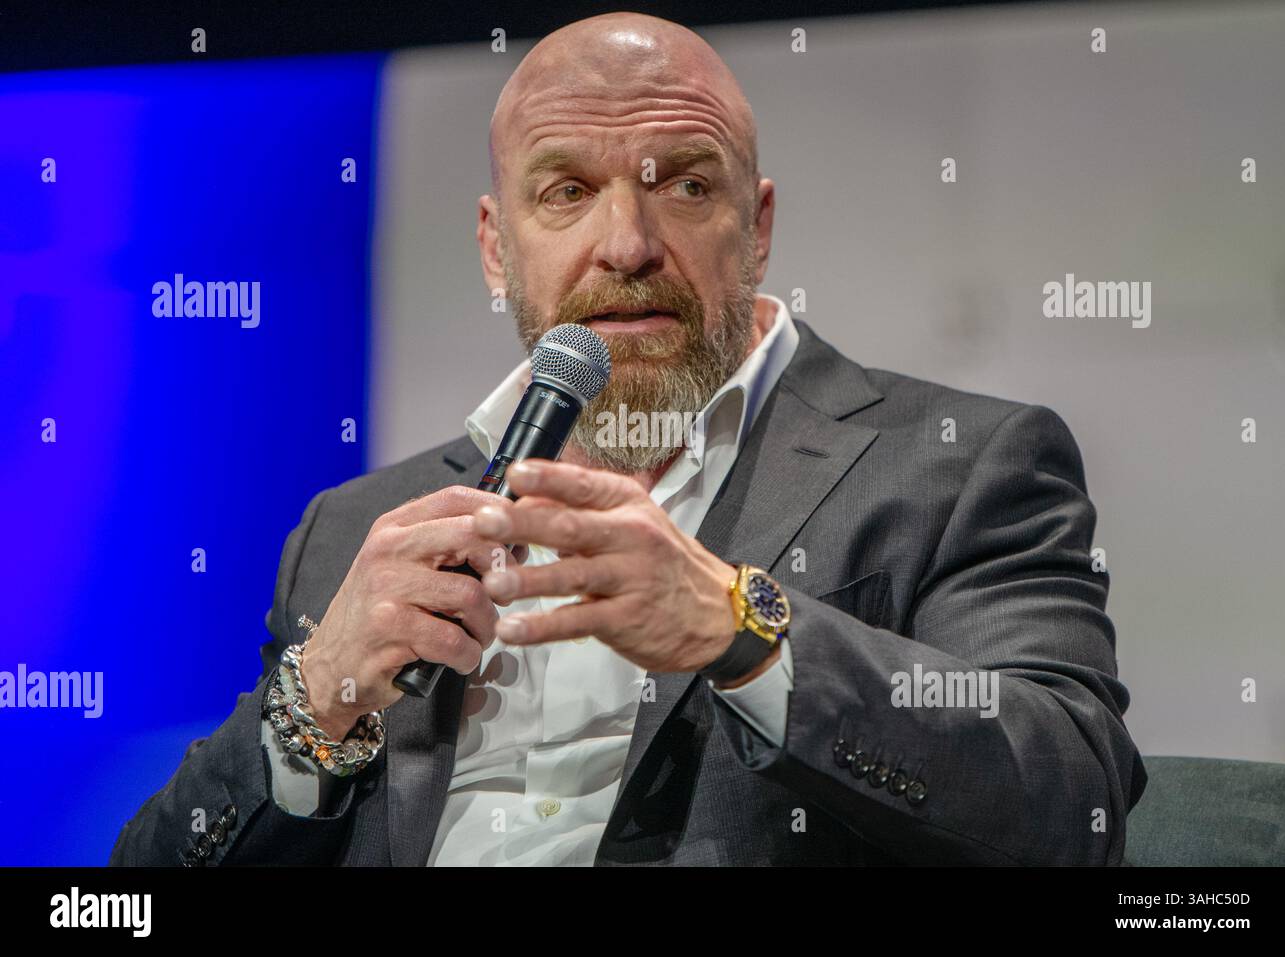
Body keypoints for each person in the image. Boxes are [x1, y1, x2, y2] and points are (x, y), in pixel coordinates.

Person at [110, 12, 1146, 867]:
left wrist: (743, 629)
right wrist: (319, 695)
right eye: (567, 191)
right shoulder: (353, 528)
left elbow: (1074, 803)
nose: (628, 245)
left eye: (686, 185)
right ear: (494, 248)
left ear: (759, 224)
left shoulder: (960, 465)